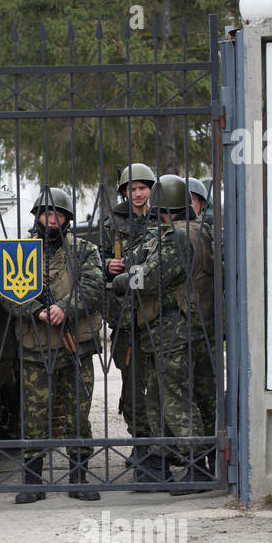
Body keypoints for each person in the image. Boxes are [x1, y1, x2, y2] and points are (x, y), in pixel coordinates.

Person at [113, 174, 215, 489]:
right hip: (187, 328)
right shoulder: (200, 231)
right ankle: (166, 464)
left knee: (175, 399)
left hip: (173, 329)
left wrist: (122, 280)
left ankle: (198, 466)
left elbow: (151, 276)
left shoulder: (179, 237)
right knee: (162, 398)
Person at [7, 188, 104, 502]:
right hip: (35, 347)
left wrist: (66, 307)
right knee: (34, 417)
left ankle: (79, 478)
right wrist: (34, 310)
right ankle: (32, 482)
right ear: (37, 217)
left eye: (57, 214)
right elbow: (7, 294)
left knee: (78, 415)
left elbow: (93, 284)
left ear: (67, 219)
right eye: (45, 214)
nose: (51, 220)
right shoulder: (22, 251)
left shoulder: (84, 250)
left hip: (75, 345)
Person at [99, 163, 162, 482]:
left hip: (158, 313)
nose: (138, 194)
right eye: (132, 189)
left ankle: (162, 446)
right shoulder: (112, 223)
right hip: (125, 315)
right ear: (124, 192)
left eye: (143, 188)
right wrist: (106, 263)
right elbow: (93, 259)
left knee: (161, 382)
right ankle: (141, 444)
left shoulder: (162, 218)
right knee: (133, 382)